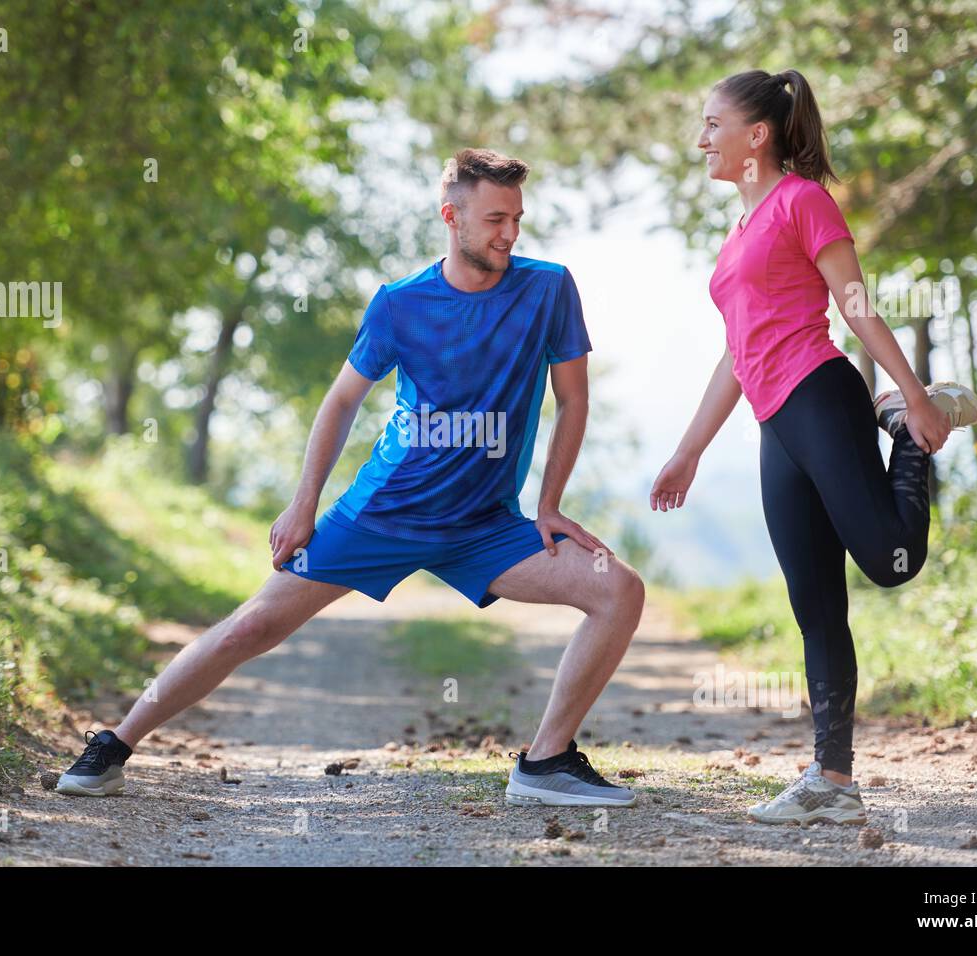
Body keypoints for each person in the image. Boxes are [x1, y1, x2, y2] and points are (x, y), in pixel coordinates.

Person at [57, 148, 645, 808]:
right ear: (451, 217)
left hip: (483, 526)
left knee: (618, 589)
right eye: (495, 219)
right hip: (383, 511)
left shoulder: (548, 288)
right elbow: (342, 400)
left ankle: (544, 764)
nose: (509, 234)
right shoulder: (399, 304)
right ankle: (115, 744)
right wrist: (303, 502)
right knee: (251, 627)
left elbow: (572, 400)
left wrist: (549, 504)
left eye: (517, 219)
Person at [650, 69, 977, 825]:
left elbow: (855, 306)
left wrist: (916, 395)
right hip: (776, 423)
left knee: (891, 560)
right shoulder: (737, 233)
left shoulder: (802, 201)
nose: (701, 138)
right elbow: (736, 356)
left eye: (712, 124)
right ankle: (832, 783)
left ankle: (904, 430)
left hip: (823, 394)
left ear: (755, 136)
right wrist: (690, 450)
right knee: (816, 608)